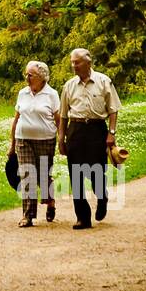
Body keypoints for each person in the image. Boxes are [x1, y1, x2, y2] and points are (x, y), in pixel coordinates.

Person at [58, 47, 121, 229]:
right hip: (75, 130)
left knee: (96, 171)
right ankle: (82, 217)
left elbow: (113, 109)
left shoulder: (103, 81)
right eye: (72, 62)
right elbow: (63, 115)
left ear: (88, 62)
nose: (74, 66)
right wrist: (61, 138)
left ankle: (102, 197)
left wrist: (111, 133)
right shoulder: (69, 86)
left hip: (96, 129)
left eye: (77, 62)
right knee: (75, 174)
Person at [8, 60, 59, 226]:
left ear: (41, 76)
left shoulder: (51, 94)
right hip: (23, 140)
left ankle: (50, 202)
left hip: (46, 140)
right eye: (26, 75)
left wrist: (62, 140)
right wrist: (12, 145)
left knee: (43, 176)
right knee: (27, 175)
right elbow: (16, 119)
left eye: (30, 75)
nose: (27, 78)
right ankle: (28, 215)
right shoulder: (22, 93)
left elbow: (58, 120)